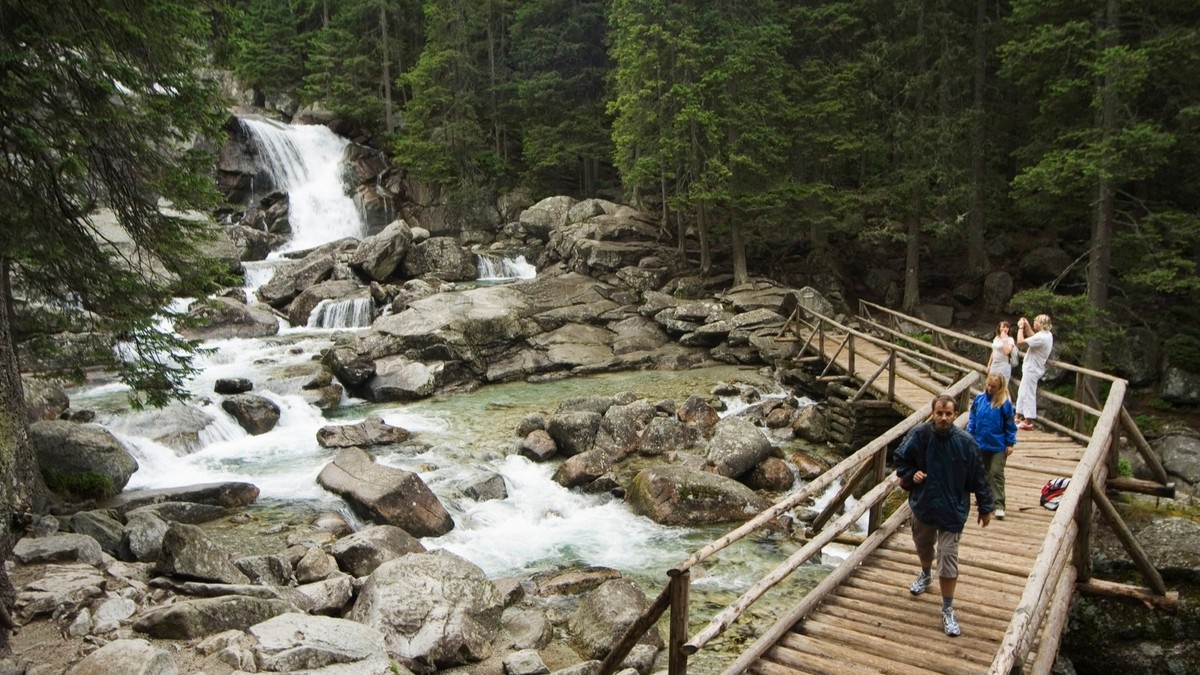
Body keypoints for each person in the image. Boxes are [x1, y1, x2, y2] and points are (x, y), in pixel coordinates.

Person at [895, 395, 995, 637]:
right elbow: (900, 458)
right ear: (933, 413)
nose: (943, 418)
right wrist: (912, 474)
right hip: (924, 504)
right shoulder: (920, 435)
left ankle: (948, 608)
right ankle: (925, 573)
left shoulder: (966, 443)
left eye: (948, 414)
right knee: (923, 545)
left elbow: (979, 477)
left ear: (955, 415)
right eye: (939, 413)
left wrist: (986, 507)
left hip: (953, 509)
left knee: (947, 556)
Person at [967, 373, 1017, 519]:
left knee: (996, 473)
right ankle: (983, 499)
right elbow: (973, 419)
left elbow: (1010, 425)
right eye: (988, 385)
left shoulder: (1005, 403)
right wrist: (969, 436)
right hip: (980, 443)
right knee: (981, 473)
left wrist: (1010, 443)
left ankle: (999, 504)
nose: (990, 388)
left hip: (998, 445)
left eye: (993, 387)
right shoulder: (979, 399)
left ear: (1000, 387)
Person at [1014, 314, 1053, 430]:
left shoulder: (1042, 337)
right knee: (1023, 391)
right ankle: (1018, 416)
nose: (1034, 323)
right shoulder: (1046, 335)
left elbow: (1020, 342)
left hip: (1032, 368)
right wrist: (1027, 326)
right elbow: (1033, 337)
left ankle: (1028, 420)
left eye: (1036, 322)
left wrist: (1021, 328)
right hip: (1033, 367)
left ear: (1041, 324)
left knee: (1029, 393)